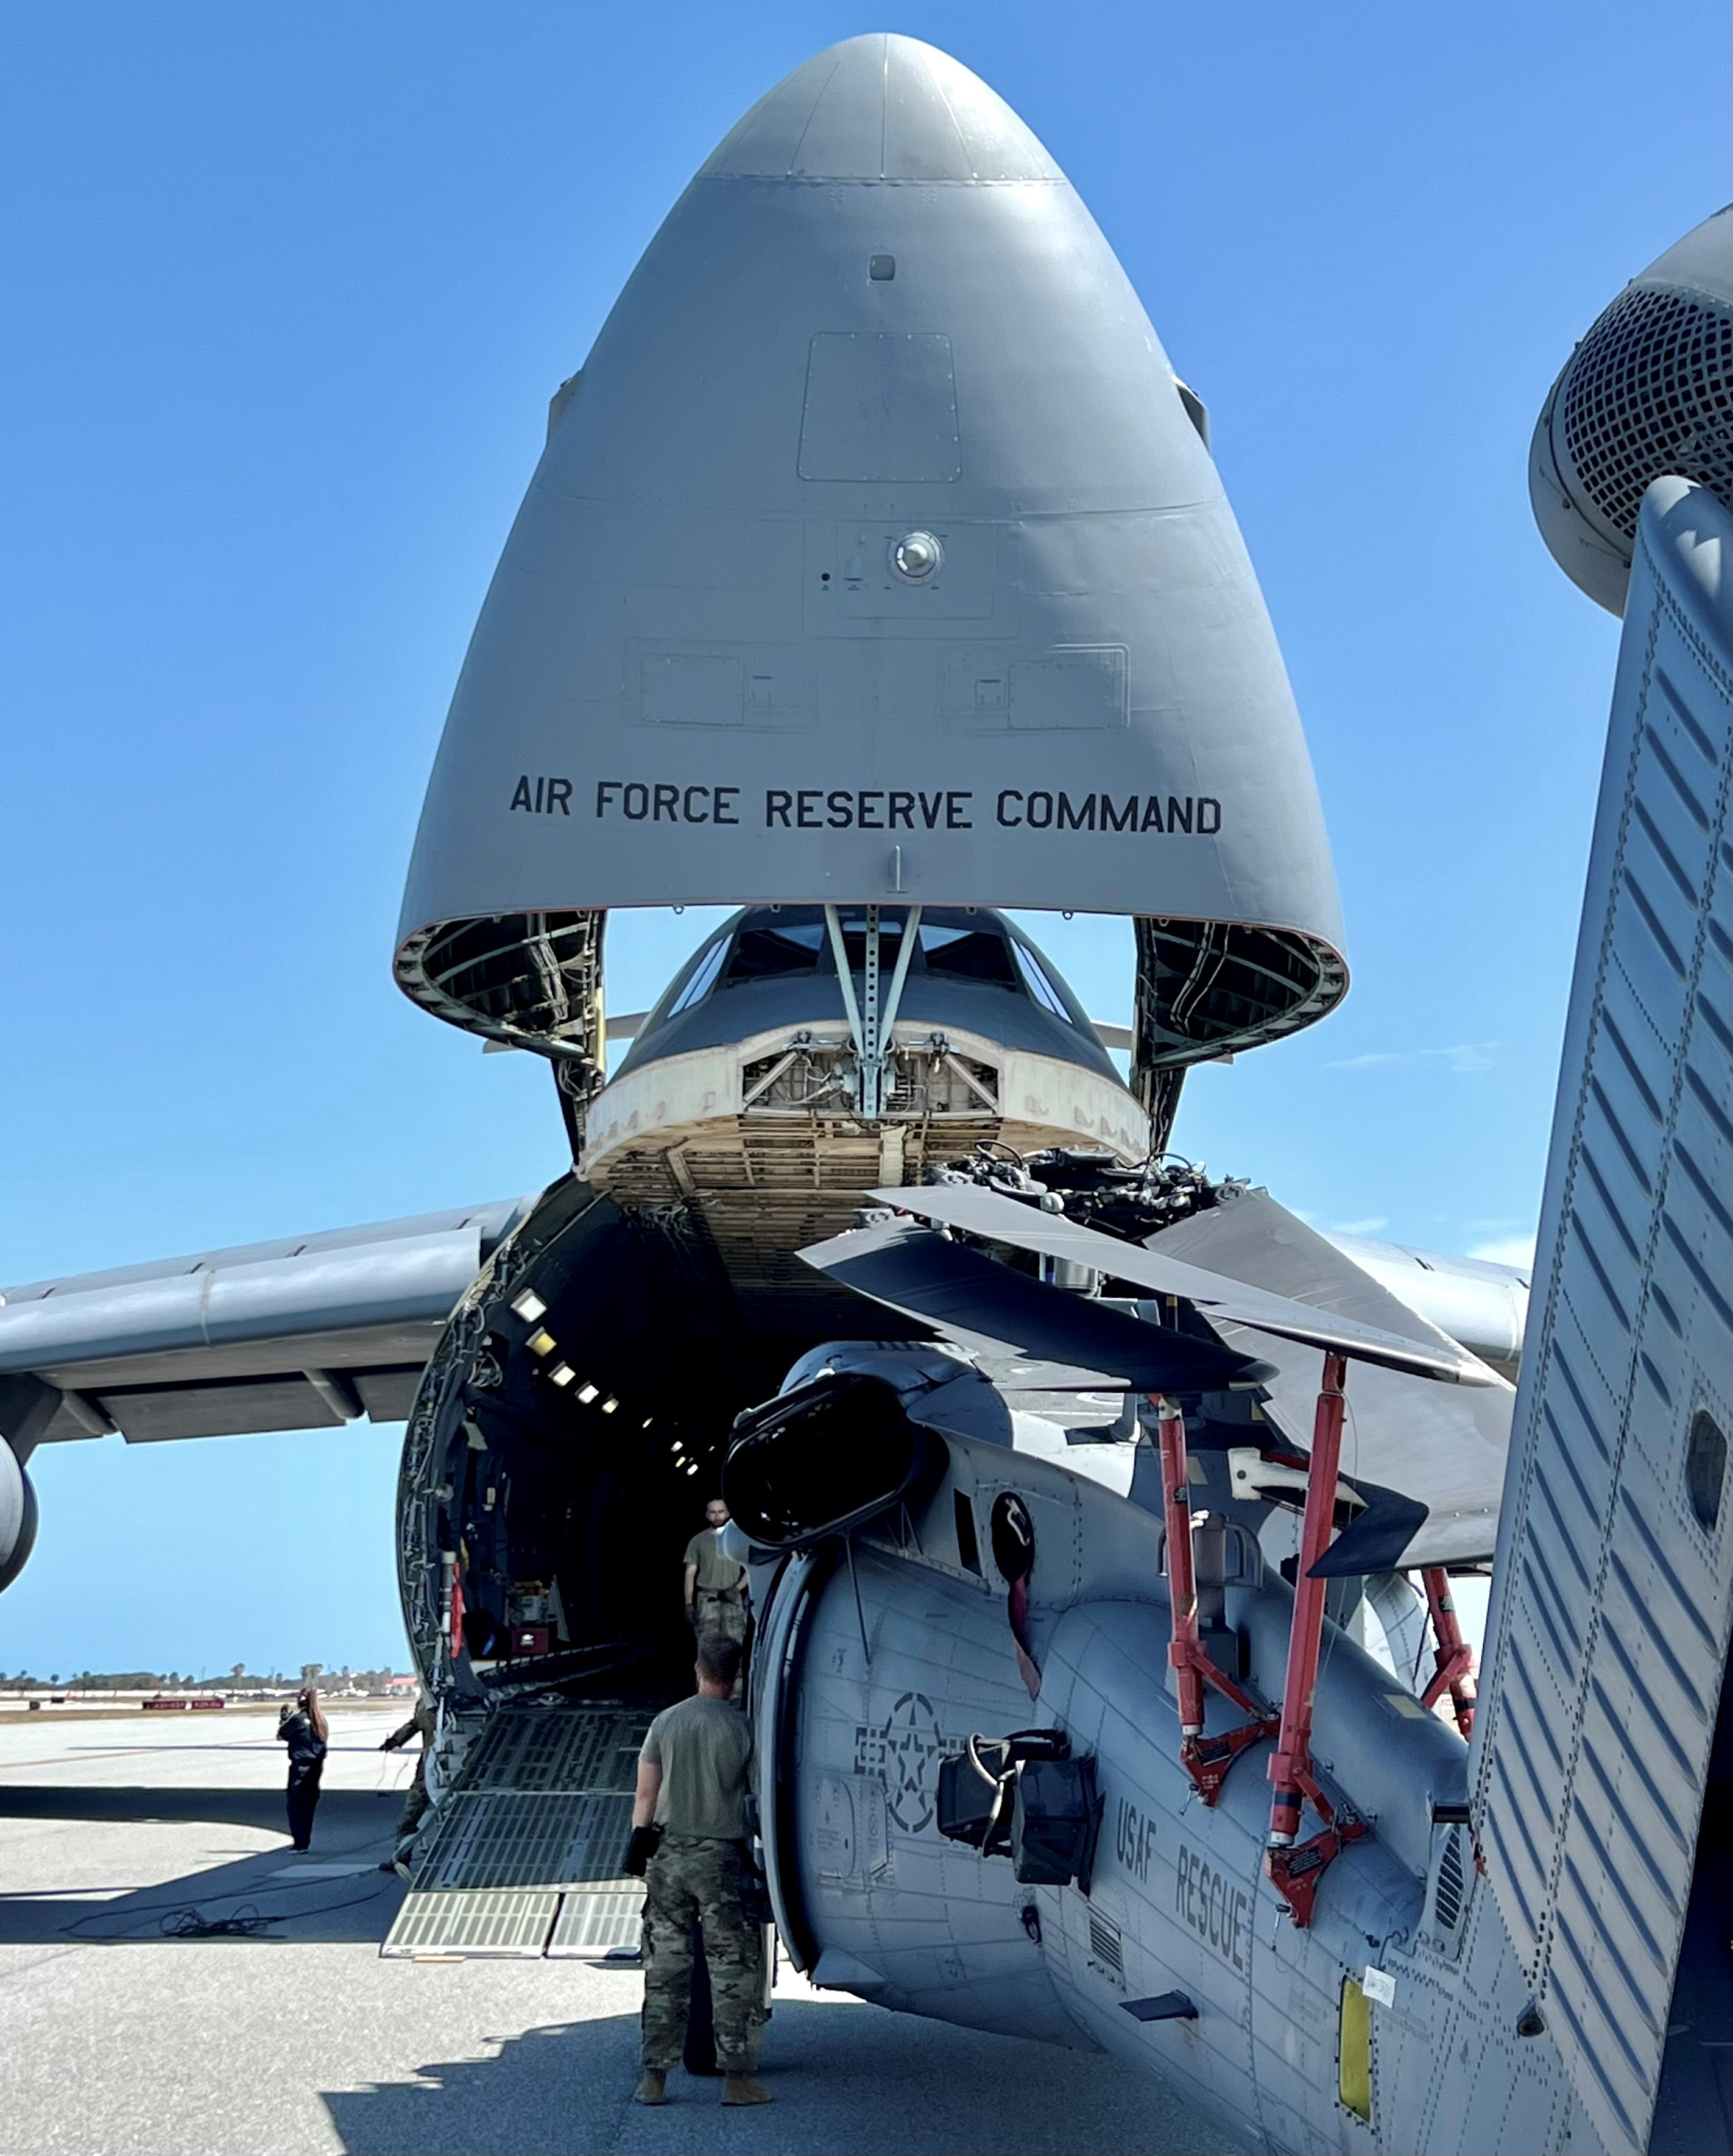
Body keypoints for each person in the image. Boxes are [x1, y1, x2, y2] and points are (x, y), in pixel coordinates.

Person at [623, 1633, 769, 2108]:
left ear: (698, 1668)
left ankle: (654, 2080)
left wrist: (640, 1851)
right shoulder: (742, 1728)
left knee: (665, 1968)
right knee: (733, 1971)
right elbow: (757, 1799)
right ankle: (736, 2081)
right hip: (721, 1859)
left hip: (669, 1855)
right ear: (736, 1675)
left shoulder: (666, 1721)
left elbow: (646, 1795)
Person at [377, 1689, 436, 1872]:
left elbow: (415, 1723)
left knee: (410, 1818)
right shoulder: (431, 1703)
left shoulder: (427, 1703)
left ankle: (401, 1857)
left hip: (429, 1769)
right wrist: (396, 1740)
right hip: (430, 1769)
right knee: (411, 1817)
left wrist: (396, 1740)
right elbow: (415, 1724)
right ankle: (402, 1857)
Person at [683, 1497, 749, 1650]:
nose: (717, 1516)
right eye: (713, 1513)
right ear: (707, 1515)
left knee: (735, 1643)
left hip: (732, 1596)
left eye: (721, 1512)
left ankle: (735, 1675)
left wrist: (737, 1589)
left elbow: (750, 1568)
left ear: (728, 1513)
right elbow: (690, 1574)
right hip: (707, 1598)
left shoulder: (739, 1539)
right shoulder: (698, 1541)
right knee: (708, 1645)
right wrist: (688, 1603)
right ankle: (708, 1675)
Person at [276, 1686, 328, 1852]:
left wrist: (284, 1720)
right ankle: (304, 1841)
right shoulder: (321, 1720)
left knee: (295, 1806)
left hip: (301, 1769)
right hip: (316, 1769)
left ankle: (300, 1843)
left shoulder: (298, 1720)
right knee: (308, 1807)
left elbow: (281, 1735)